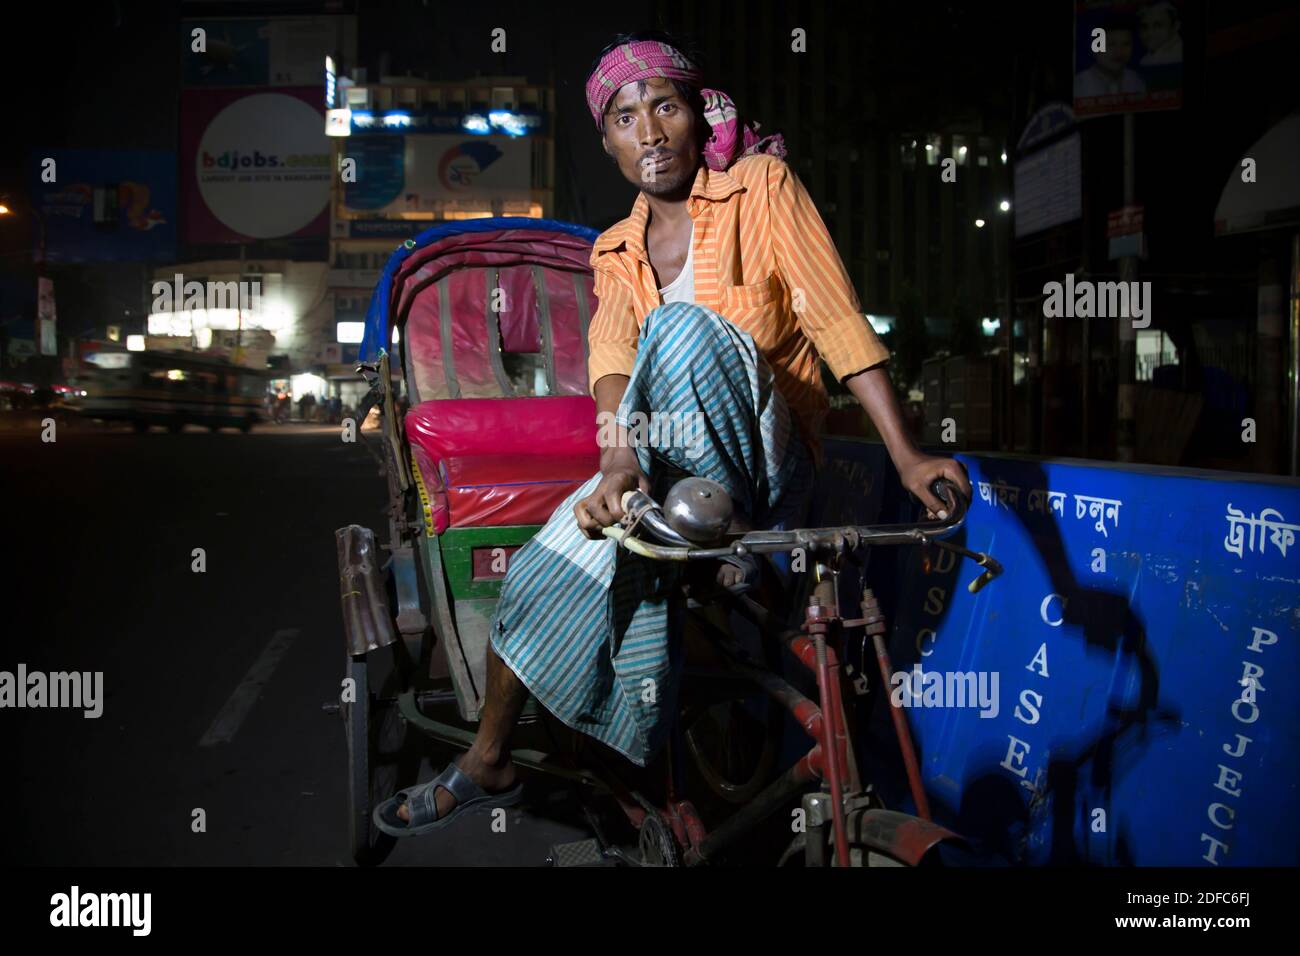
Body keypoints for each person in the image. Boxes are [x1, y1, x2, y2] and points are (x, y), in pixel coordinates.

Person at [374, 30, 971, 837]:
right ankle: (490, 759)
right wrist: (616, 463)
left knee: (683, 333)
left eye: (665, 106)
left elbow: (832, 316)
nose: (648, 131)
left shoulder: (759, 187)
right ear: (609, 140)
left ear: (699, 115)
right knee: (548, 561)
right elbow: (613, 361)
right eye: (625, 117)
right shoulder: (615, 251)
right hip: (662, 478)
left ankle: (709, 545)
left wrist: (906, 452)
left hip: (763, 467)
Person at [1075, 13, 1147, 98]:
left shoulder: (1136, 81)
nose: (1119, 52)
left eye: (1126, 44)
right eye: (1111, 44)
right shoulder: (1080, 85)